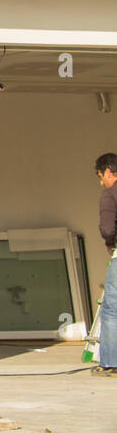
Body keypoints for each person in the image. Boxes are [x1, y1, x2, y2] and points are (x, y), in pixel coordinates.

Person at [94, 153, 117, 377]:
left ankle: (111, 363)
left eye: (101, 176)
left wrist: (110, 244)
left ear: (109, 172)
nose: (102, 182)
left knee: (112, 309)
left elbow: (109, 229)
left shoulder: (109, 195)